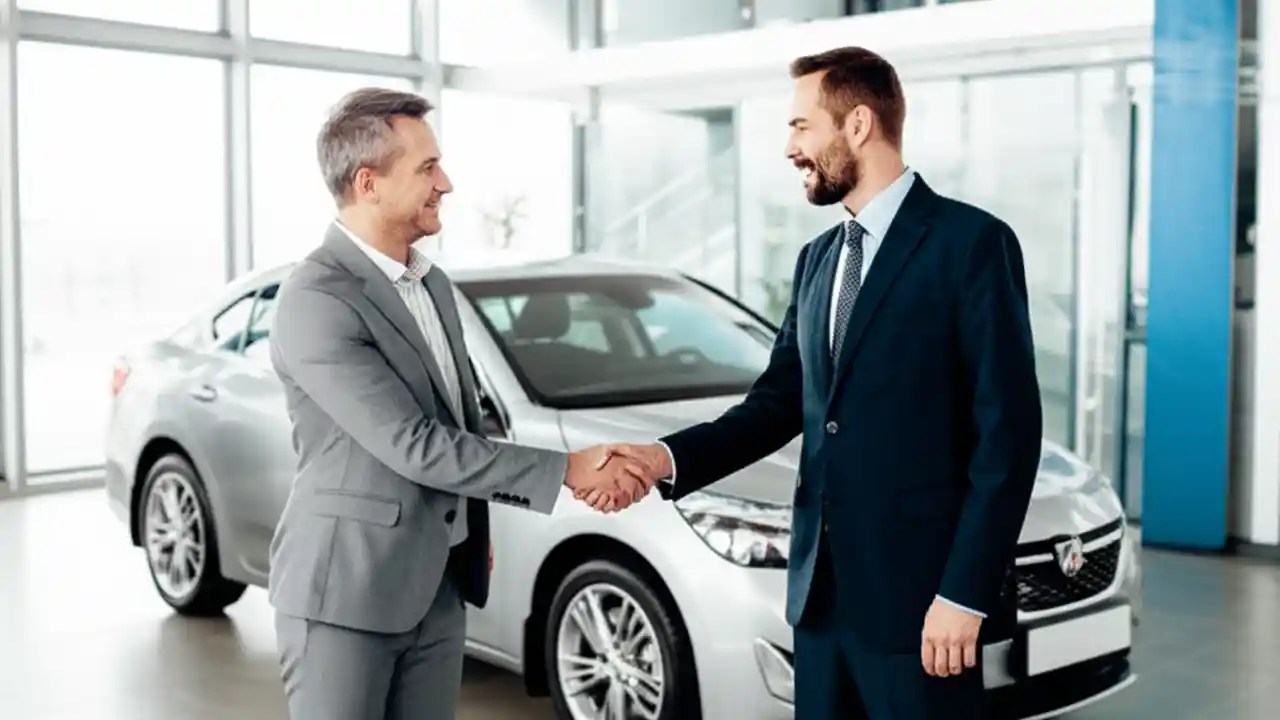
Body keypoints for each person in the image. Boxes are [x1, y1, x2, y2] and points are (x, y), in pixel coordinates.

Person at [588, 47, 1043, 719]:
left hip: (924, 609)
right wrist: (664, 458)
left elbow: (1008, 435)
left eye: (801, 127)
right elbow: (775, 407)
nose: (789, 148)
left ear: (857, 125)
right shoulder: (819, 259)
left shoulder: (970, 244)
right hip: (820, 605)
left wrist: (964, 594)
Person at [268, 87, 652, 720]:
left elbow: (459, 417)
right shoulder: (318, 297)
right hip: (347, 593)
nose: (445, 183)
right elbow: (412, 442)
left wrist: (475, 529)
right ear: (368, 183)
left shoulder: (432, 283)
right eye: (426, 168)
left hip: (439, 588)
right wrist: (568, 468)